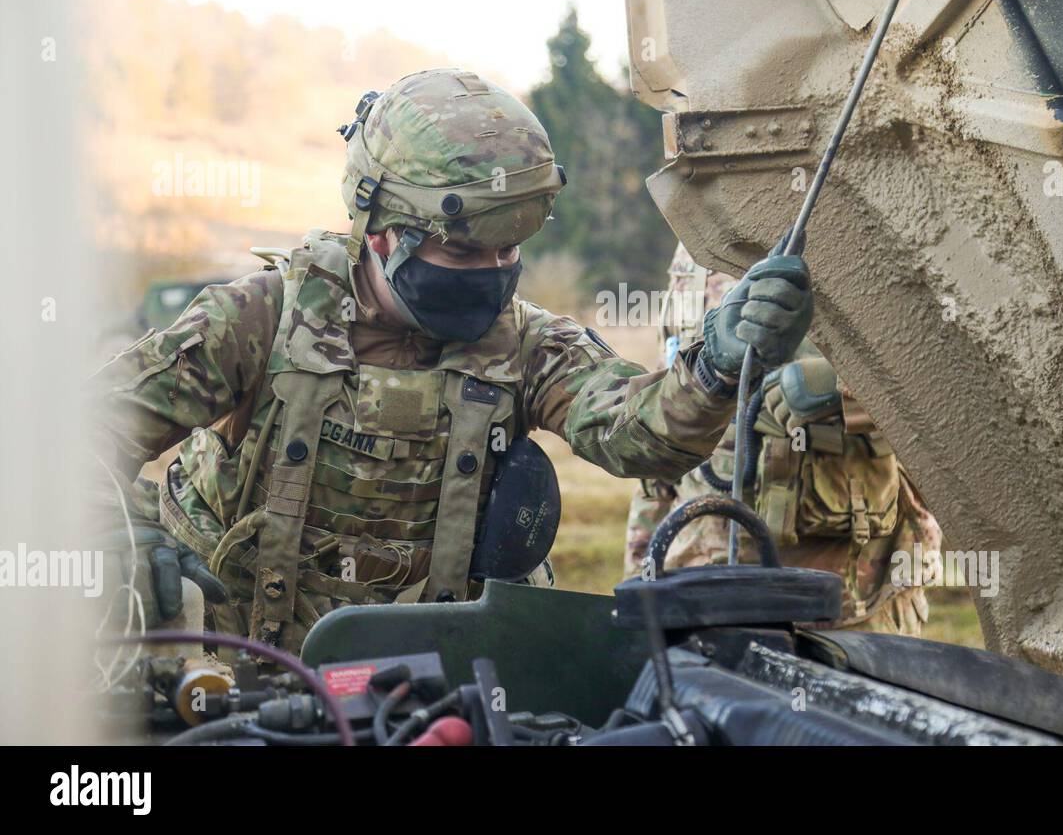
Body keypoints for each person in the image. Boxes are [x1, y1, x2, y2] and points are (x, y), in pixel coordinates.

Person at [91, 69, 813, 653]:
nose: (494, 273)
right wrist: (125, 533)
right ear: (380, 234)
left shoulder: (528, 346)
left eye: (510, 251)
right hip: (240, 675)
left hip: (433, 682)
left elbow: (638, 433)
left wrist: (718, 360)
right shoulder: (259, 320)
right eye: (464, 252)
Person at [625, 243, 942, 633]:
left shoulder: (864, 226)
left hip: (850, 603)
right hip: (699, 589)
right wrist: (642, 572)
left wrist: (836, 386)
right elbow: (668, 411)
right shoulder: (698, 235)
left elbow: (943, 376)